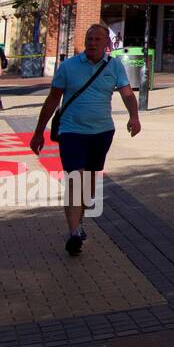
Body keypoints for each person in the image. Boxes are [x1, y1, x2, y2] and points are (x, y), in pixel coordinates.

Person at [29, 24, 141, 255]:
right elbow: (52, 100)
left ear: (105, 44)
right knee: (74, 181)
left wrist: (134, 117)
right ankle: (74, 232)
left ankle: (80, 218)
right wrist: (39, 131)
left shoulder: (115, 65)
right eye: (89, 39)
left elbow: (128, 93)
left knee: (88, 188)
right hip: (71, 132)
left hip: (101, 133)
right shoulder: (68, 66)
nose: (92, 43)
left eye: (97, 39)